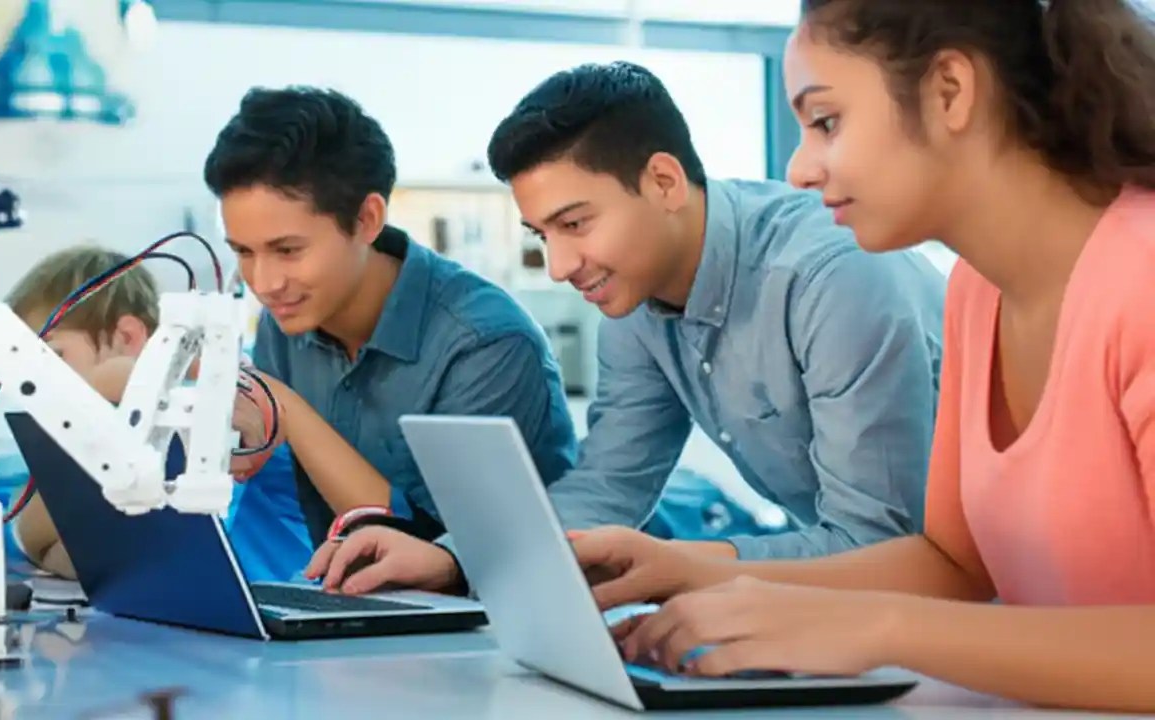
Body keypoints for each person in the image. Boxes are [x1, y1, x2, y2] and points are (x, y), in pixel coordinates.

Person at [577, 0, 1155, 713]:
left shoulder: (1142, 278)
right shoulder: (980, 290)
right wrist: (696, 573)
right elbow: (950, 564)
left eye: (827, 122)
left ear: (949, 91)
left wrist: (882, 627)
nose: (797, 170)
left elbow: (921, 607)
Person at [305, 61, 946, 593]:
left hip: (977, 612)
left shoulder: (829, 279)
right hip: (860, 603)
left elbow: (877, 548)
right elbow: (609, 485)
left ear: (664, 180)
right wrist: (455, 559)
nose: (558, 266)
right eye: (542, 235)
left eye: (576, 224)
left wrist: (684, 568)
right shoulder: (635, 299)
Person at [198, 85, 577, 558]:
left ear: (366, 219)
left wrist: (285, 408)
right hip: (355, 614)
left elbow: (429, 558)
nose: (265, 282)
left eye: (287, 250)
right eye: (244, 252)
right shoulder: (287, 322)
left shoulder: (485, 344)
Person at [3, 244, 166, 578]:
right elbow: (35, 539)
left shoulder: (170, 400)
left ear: (127, 337)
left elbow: (130, 377)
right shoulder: (95, 431)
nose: (33, 384)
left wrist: (98, 385)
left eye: (53, 357)